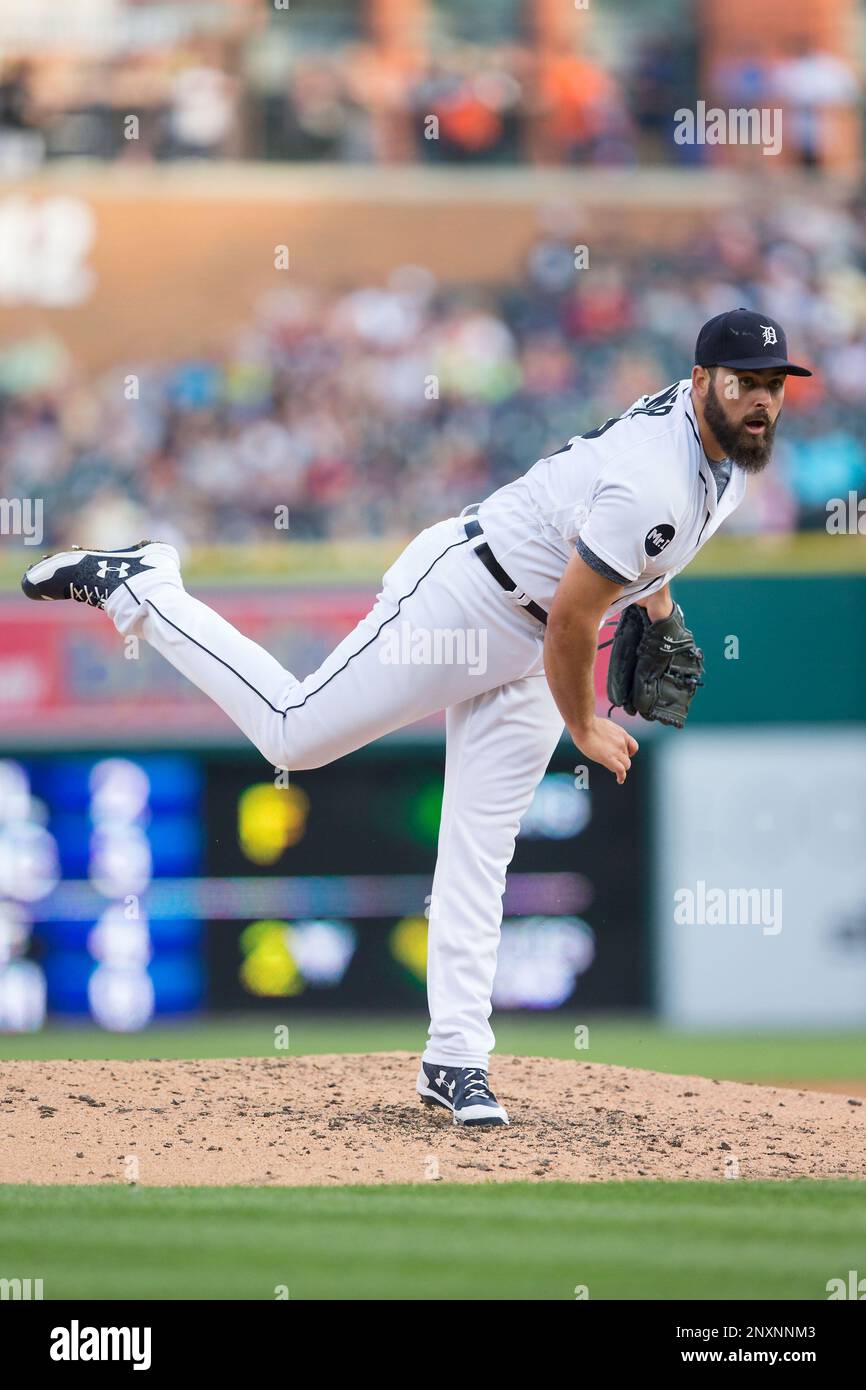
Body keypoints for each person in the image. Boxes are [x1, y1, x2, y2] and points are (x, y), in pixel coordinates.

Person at [21, 308, 810, 1126]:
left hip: (537, 639)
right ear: (701, 383)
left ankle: (456, 1058)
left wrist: (659, 604)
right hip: (469, 598)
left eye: (773, 385)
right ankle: (145, 588)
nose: (762, 400)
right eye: (743, 382)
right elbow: (578, 620)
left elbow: (633, 557)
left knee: (482, 847)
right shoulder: (660, 476)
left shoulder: (727, 464)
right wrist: (584, 725)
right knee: (295, 732)